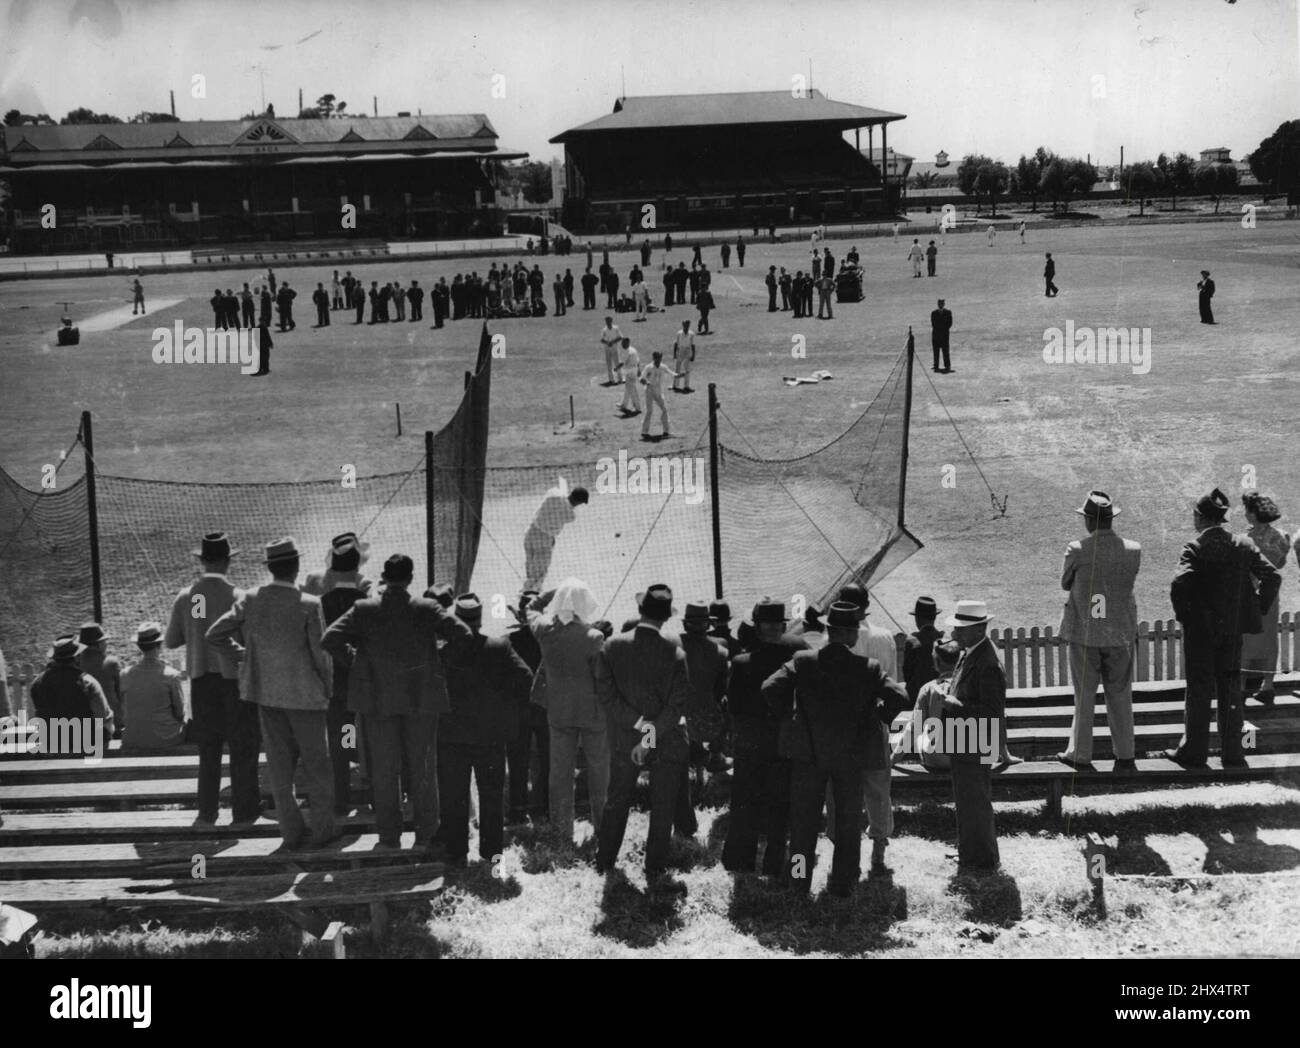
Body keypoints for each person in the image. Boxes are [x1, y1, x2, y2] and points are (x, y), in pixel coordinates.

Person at [321, 556, 472, 851]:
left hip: (377, 701)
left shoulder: (364, 609)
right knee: (423, 769)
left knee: (384, 771)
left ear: (384, 577)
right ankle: (427, 835)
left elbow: (330, 639)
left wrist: (356, 662)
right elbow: (463, 635)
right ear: (411, 578)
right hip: (421, 700)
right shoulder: (426, 608)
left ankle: (389, 838)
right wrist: (437, 663)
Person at [766, 600, 909, 897]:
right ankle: (843, 884)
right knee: (847, 824)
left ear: (830, 631)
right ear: (852, 633)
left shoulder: (804, 660)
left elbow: (770, 687)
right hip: (850, 756)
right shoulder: (867, 668)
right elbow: (899, 695)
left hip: (808, 755)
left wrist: (792, 718)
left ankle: (799, 881)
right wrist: (879, 715)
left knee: (803, 825)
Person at [207, 537, 336, 850]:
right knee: (318, 766)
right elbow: (321, 656)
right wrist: (328, 688)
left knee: (279, 768)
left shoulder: (251, 598)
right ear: (296, 567)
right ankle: (323, 831)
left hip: (266, 695)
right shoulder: (309, 604)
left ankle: (290, 834)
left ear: (270, 567)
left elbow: (215, 634)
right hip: (305, 697)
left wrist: (247, 657)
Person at [1166, 489, 1280, 769]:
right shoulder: (1242, 544)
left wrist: (1188, 617)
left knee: (1199, 690)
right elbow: (1272, 576)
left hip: (1201, 633)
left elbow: (1179, 585)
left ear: (1200, 517)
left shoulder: (1194, 547)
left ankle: (1194, 752)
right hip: (1232, 630)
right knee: (1230, 691)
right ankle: (1233, 753)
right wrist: (1255, 609)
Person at [594, 584, 689, 891]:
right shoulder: (675, 651)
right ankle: (654, 868)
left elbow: (606, 696)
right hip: (665, 739)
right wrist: (648, 737)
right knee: (662, 806)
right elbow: (675, 708)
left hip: (624, 739)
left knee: (617, 800)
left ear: (640, 610)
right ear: (666, 618)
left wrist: (637, 725)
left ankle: (605, 861)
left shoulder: (612, 647)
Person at [165, 532, 261, 825]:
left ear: (203, 561)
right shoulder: (239, 596)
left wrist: (196, 625)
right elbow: (249, 643)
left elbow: (171, 641)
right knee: (242, 748)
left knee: (209, 750)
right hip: (233, 682)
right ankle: (244, 813)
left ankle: (207, 811)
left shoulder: (188, 596)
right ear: (227, 561)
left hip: (201, 681)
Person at [437, 594, 533, 866]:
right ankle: (491, 853)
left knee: (453, 795)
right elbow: (526, 678)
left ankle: (456, 854)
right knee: (491, 795)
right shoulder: (498, 646)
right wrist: (504, 706)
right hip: (490, 735)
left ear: (455, 619)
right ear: (480, 620)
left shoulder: (443, 653)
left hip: (451, 735)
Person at [721, 598, 808, 874]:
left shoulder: (741, 662)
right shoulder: (799, 651)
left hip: (751, 742)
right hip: (786, 739)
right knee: (781, 804)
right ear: (782, 625)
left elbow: (733, 707)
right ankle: (774, 863)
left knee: (745, 803)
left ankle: (740, 861)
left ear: (757, 627)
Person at [1056, 490, 1141, 772]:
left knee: (1085, 696)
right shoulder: (1132, 549)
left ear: (1090, 520)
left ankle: (1080, 754)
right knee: (1120, 693)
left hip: (1085, 634)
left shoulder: (1077, 549)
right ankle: (1125, 753)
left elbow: (1065, 583)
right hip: (1119, 633)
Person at [527, 580, 609, 844]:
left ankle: (563, 831)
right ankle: (603, 828)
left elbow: (530, 608)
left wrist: (555, 591)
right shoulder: (594, 638)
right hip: (593, 714)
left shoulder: (545, 631)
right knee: (599, 772)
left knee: (560, 774)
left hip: (559, 713)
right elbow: (602, 678)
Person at [942, 599, 1004, 872]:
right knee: (967, 803)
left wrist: (955, 705)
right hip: (964, 739)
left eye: (961, 629)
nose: (955, 634)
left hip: (974, 742)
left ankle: (982, 862)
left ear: (979, 629)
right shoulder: (974, 651)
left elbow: (991, 712)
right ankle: (970, 854)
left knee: (975, 803)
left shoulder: (988, 662)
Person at [311, 536, 371, 815]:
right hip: (362, 684)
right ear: (357, 566)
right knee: (365, 739)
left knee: (338, 742)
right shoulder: (367, 602)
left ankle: (340, 801)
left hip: (333, 684)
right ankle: (371, 792)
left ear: (332, 569)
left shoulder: (320, 603)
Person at [676, 601, 728, 836]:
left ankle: (696, 770)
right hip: (708, 717)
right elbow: (721, 690)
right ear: (709, 625)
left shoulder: (673, 645)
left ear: (686, 624)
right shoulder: (721, 651)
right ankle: (712, 759)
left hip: (678, 715)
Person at [1240, 491, 1290, 706]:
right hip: (1270, 595)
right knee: (1269, 638)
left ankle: (1242, 687)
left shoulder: (1245, 539)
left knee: (1245, 639)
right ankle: (1267, 685)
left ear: (1253, 514)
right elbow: (1279, 566)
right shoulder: (1281, 537)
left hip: (1248, 594)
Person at [505, 590, 549, 823]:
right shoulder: (549, 637)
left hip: (518, 708)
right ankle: (544, 809)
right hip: (544, 707)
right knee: (546, 760)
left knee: (517, 762)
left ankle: (518, 810)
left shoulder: (510, 640)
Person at [30, 635, 115, 750]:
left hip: (51, 746)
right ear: (77, 657)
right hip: (84, 747)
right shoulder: (88, 682)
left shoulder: (37, 683)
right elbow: (103, 717)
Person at [893, 640, 960, 771]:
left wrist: (892, 759)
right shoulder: (970, 684)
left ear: (937, 662)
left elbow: (914, 728)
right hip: (971, 756)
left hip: (939, 758)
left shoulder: (928, 688)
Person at [120, 622, 187, 750]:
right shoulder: (171, 675)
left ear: (139, 646)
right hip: (165, 738)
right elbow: (180, 713)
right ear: (160, 645)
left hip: (132, 738)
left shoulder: (125, 674)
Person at [524, 483, 589, 591]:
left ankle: (527, 596)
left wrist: (563, 494)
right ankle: (525, 601)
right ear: (578, 502)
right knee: (539, 573)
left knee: (530, 569)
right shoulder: (571, 516)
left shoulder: (553, 496)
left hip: (530, 533)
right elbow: (567, 507)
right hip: (544, 541)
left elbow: (555, 491)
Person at [76, 623, 123, 739]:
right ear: (98, 644)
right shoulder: (111, 663)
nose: (106, 644)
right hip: (111, 726)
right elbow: (121, 694)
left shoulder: (75, 665)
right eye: (104, 641)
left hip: (81, 728)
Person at [902, 596, 944, 703]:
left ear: (917, 619)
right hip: (938, 696)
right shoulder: (942, 640)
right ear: (934, 617)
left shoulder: (912, 641)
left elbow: (907, 674)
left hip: (916, 697)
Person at [640, 350, 678, 441]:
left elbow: (671, 373)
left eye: (660, 358)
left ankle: (666, 431)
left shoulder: (663, 367)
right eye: (657, 358)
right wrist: (646, 382)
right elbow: (641, 379)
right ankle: (644, 432)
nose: (659, 360)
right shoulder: (648, 367)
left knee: (664, 409)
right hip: (649, 391)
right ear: (654, 358)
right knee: (649, 411)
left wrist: (679, 375)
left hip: (658, 391)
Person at [617, 337, 642, 416]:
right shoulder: (633, 349)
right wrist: (638, 369)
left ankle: (638, 408)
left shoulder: (628, 352)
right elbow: (638, 361)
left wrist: (616, 368)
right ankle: (624, 405)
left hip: (630, 371)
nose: (622, 344)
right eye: (622, 343)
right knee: (628, 388)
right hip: (633, 370)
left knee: (632, 390)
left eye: (623, 343)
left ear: (627, 343)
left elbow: (622, 363)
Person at [671, 320, 695, 393]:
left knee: (687, 369)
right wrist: (674, 353)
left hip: (687, 350)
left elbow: (693, 345)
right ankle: (675, 385)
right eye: (685, 325)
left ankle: (686, 386)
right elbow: (676, 343)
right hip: (680, 350)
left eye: (688, 325)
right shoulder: (679, 333)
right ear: (683, 324)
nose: (686, 326)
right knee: (677, 368)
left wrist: (693, 354)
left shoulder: (691, 334)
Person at [930, 298, 953, 373]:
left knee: (945, 351)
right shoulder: (933, 313)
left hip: (944, 335)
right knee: (936, 351)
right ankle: (936, 365)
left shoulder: (948, 312)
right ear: (938, 304)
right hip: (936, 335)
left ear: (944, 304)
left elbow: (950, 323)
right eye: (939, 304)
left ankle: (947, 365)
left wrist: (943, 329)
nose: (940, 305)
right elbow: (933, 324)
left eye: (942, 304)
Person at [599, 316, 623, 385]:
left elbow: (620, 337)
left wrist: (613, 342)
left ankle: (620, 379)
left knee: (617, 363)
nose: (608, 322)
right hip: (607, 349)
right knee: (609, 364)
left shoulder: (616, 328)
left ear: (611, 321)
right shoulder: (604, 330)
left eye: (609, 321)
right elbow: (602, 339)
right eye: (606, 321)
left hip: (615, 348)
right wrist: (608, 343)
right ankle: (611, 380)